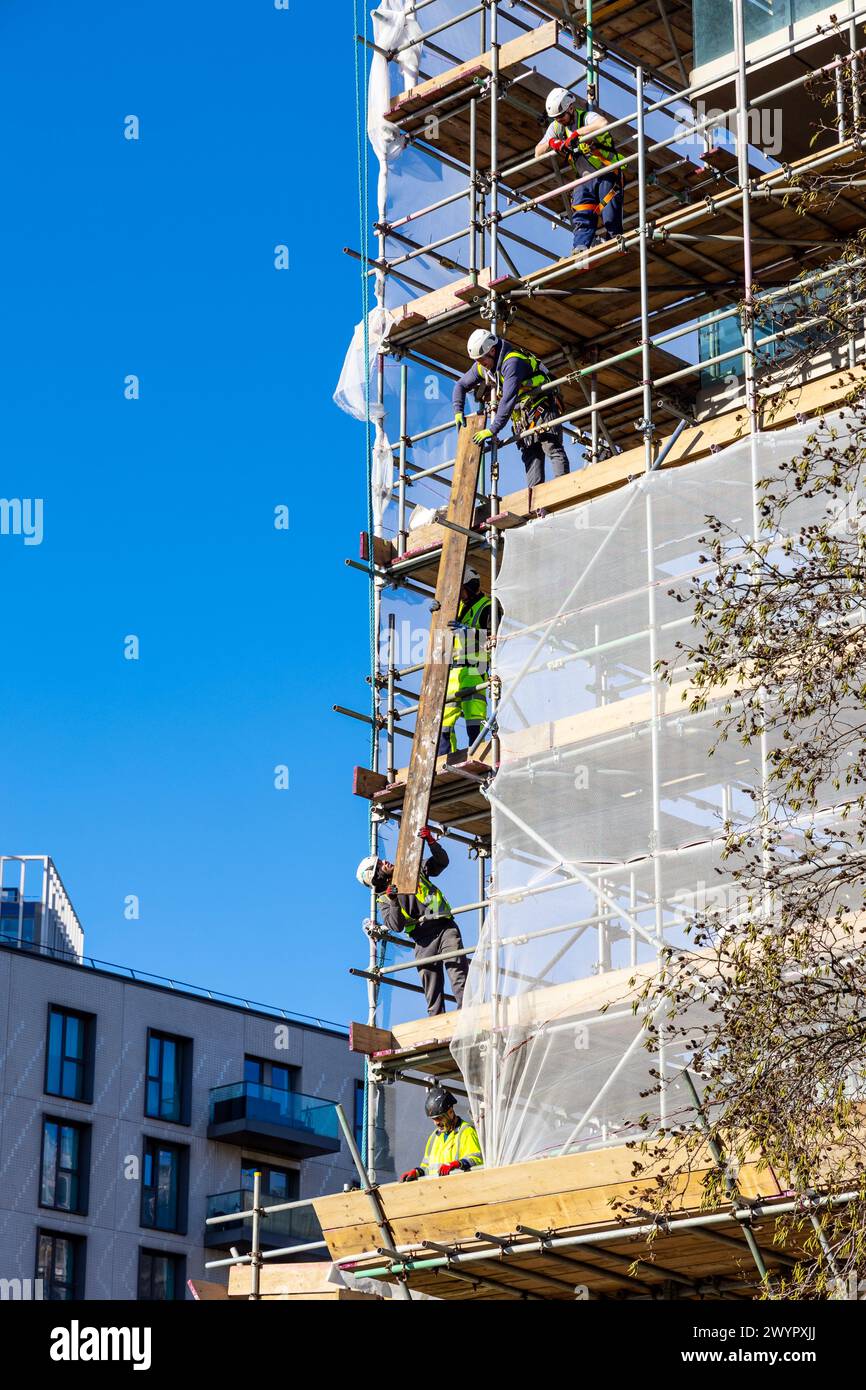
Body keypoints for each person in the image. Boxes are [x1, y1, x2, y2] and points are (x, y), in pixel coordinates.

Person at [356, 828, 469, 1017]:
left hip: (444, 926)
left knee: (458, 971)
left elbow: (441, 862)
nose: (385, 862)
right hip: (422, 938)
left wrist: (431, 842)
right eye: (380, 865)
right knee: (430, 982)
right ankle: (436, 1021)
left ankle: (467, 1013)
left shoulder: (410, 869)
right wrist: (393, 900)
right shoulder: (384, 899)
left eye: (381, 861)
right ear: (377, 876)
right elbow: (396, 925)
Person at [453, 328, 571, 488]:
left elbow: (508, 399)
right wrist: (458, 410)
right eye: (477, 361)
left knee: (551, 446)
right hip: (522, 417)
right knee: (531, 457)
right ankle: (535, 499)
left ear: (492, 351)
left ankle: (565, 488)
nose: (480, 364)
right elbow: (460, 385)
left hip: (541, 407)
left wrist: (493, 429)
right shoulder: (485, 366)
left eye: (481, 360)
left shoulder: (512, 362)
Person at [534, 85, 623, 252]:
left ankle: (615, 245)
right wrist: (552, 142)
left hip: (606, 173)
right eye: (556, 118)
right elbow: (537, 152)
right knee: (582, 216)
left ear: (570, 108)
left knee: (610, 216)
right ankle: (580, 249)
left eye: (561, 116)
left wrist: (578, 134)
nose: (559, 120)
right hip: (584, 178)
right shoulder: (557, 127)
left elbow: (602, 123)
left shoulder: (587, 117)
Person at [439, 565, 491, 756]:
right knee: (443, 724)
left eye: (460, 589)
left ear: (468, 586)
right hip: (454, 673)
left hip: (475, 671)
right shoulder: (457, 607)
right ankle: (444, 760)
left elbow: (494, 636)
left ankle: (476, 757)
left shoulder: (488, 606)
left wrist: (468, 631)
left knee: (474, 721)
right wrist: (437, 611)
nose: (458, 594)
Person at [399, 1086, 483, 1181]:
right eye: (433, 1119)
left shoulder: (466, 1131)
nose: (436, 1123)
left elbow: (478, 1160)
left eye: (439, 1118)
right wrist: (417, 1172)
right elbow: (427, 1168)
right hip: (437, 1188)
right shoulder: (434, 1137)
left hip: (459, 1186)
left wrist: (458, 1164)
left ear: (450, 1112)